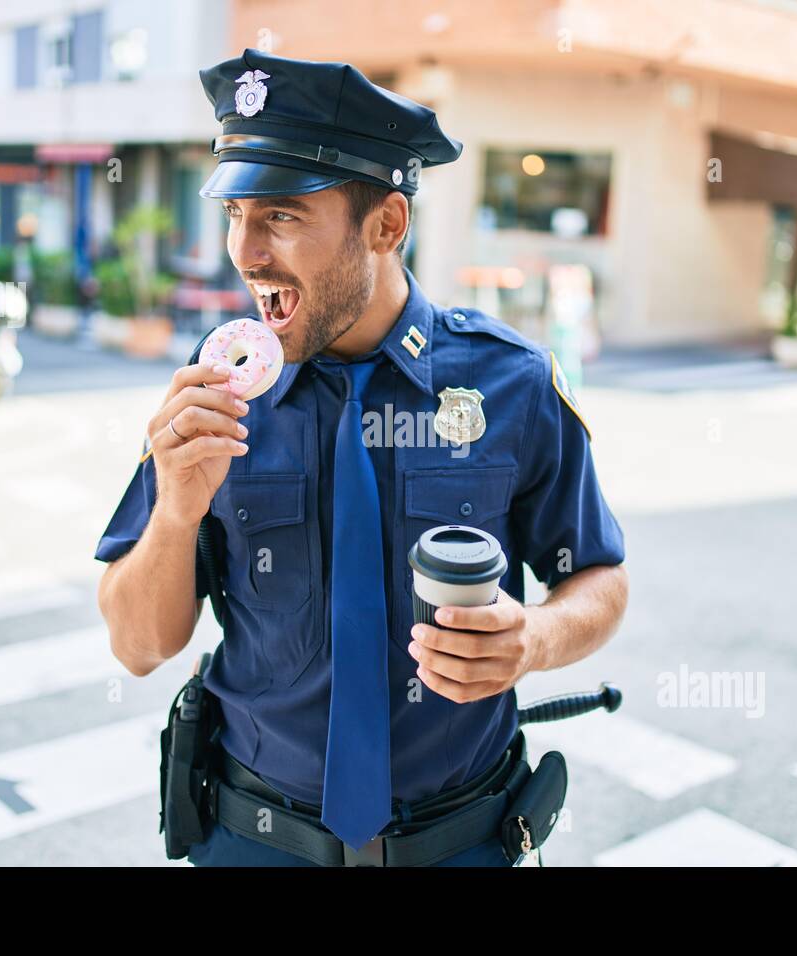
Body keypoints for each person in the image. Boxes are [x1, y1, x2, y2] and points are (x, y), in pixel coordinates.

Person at [95, 48, 628, 867]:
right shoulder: (215, 391)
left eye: (281, 215)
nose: (246, 251)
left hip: (461, 841)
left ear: (386, 225)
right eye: (236, 215)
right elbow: (137, 646)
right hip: (253, 840)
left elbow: (598, 577)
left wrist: (537, 640)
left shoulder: (510, 382)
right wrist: (175, 509)